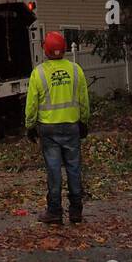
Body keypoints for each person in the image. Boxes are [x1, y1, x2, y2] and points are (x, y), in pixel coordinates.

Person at [25, 31, 90, 225]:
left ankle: (54, 211)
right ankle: (76, 210)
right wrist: (84, 122)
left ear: (45, 50)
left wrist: (30, 126)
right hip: (71, 127)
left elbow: (31, 104)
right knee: (74, 167)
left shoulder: (39, 73)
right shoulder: (76, 70)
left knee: (53, 170)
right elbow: (84, 100)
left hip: (48, 129)